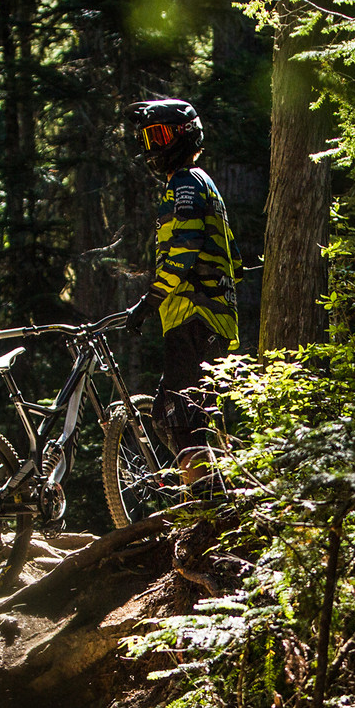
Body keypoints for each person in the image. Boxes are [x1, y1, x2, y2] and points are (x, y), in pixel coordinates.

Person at [122, 98, 243, 486]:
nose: (152, 147)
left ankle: (203, 506)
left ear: (185, 134)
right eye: (147, 138)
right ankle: (219, 495)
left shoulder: (185, 183)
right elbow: (234, 258)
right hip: (210, 316)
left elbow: (184, 250)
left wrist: (149, 301)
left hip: (193, 313)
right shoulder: (204, 183)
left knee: (182, 417)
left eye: (159, 135)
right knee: (181, 413)